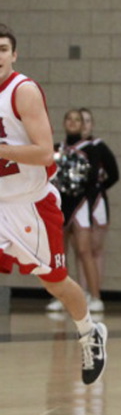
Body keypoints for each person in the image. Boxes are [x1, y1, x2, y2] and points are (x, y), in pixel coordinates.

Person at [0, 23, 106, 384]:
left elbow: (45, 152)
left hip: (30, 203)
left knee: (55, 282)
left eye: (2, 49)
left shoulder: (23, 91)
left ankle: (90, 332)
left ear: (14, 55)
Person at [50, 109, 104, 314]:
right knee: (60, 255)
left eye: (77, 120)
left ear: (83, 125)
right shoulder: (57, 148)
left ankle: (96, 296)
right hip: (60, 207)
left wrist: (87, 205)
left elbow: (94, 181)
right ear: (64, 123)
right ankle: (60, 297)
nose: (73, 123)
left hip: (80, 205)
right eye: (69, 119)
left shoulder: (90, 149)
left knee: (84, 251)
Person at [79, 107, 118, 310]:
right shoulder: (69, 148)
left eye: (87, 121)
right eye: (80, 120)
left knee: (95, 248)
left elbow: (114, 174)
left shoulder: (99, 147)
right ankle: (82, 292)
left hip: (97, 202)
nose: (83, 124)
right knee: (81, 249)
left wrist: (98, 189)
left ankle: (96, 293)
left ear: (92, 125)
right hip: (77, 202)